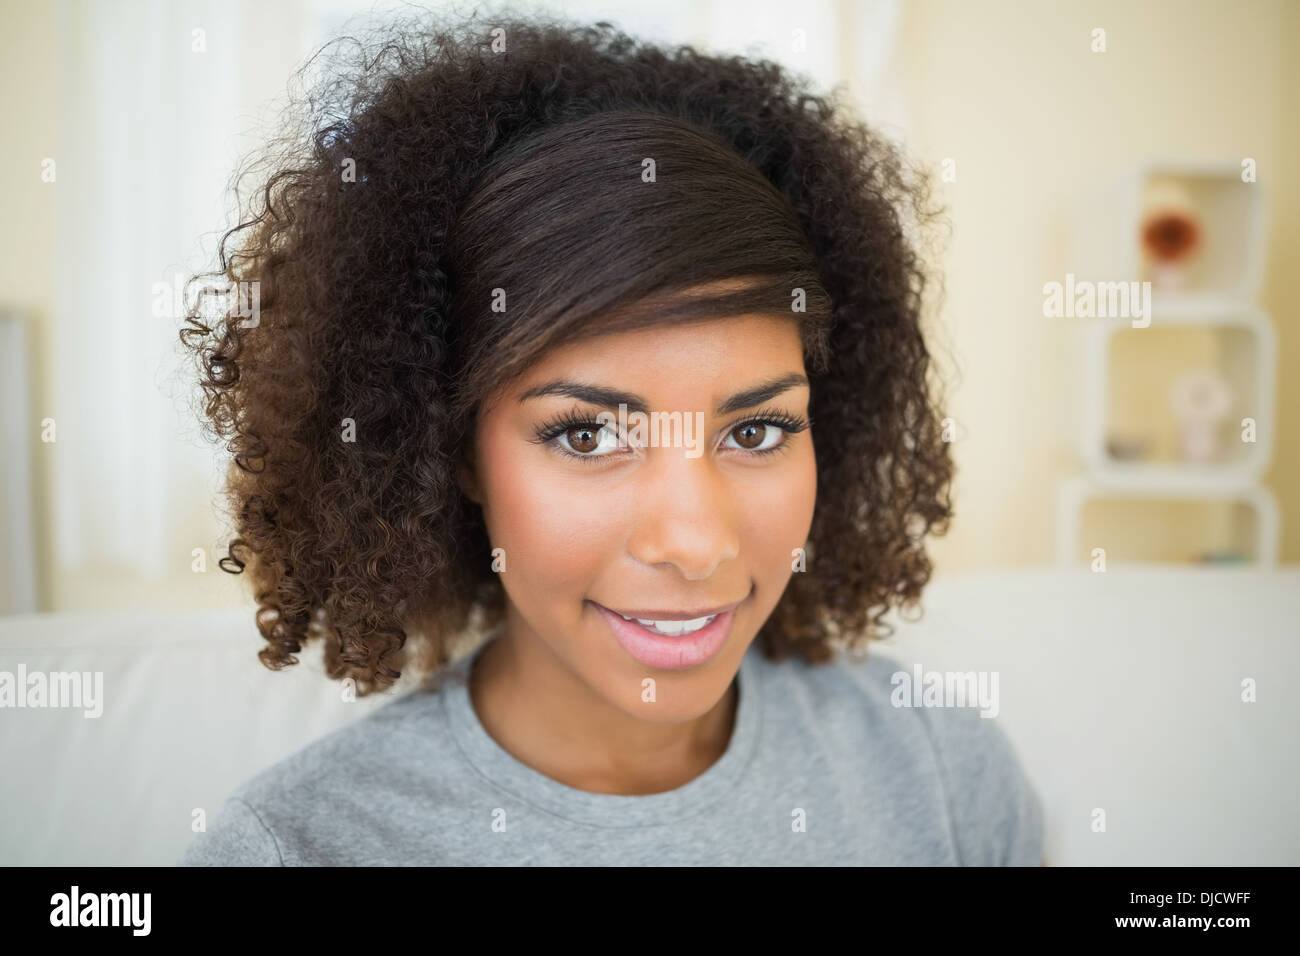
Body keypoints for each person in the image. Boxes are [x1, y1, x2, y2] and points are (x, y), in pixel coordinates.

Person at [176, 9, 1044, 866]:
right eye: (587, 436)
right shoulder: (301, 849)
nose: (695, 542)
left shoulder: (940, 771)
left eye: (758, 429)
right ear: (454, 452)